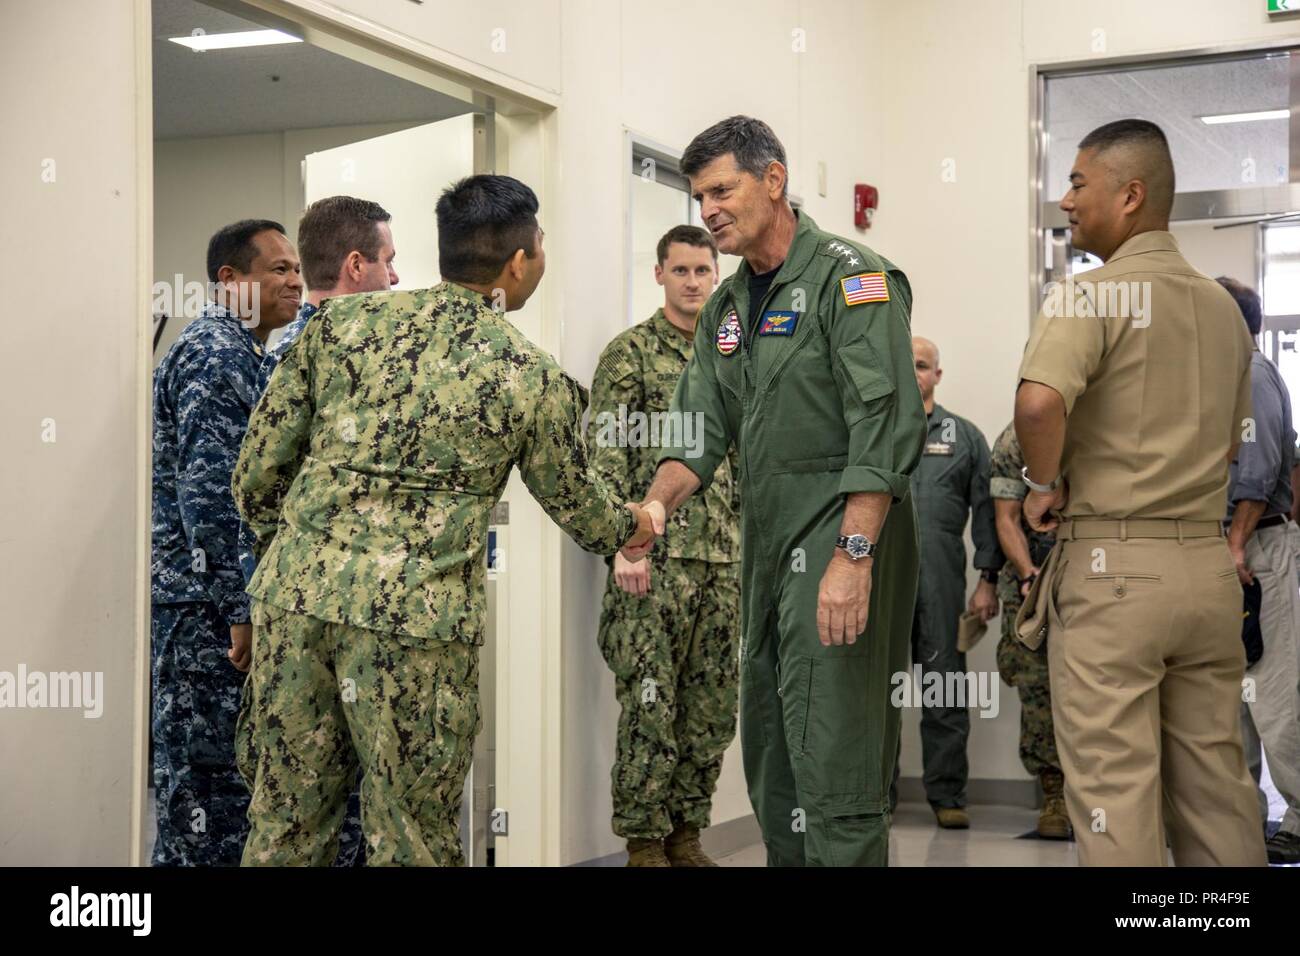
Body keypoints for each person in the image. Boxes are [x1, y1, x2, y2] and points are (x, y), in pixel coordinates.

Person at [233, 175, 656, 866]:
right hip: (414, 630)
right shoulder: (528, 374)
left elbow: (255, 475)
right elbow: (581, 508)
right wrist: (636, 523)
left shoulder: (341, 326)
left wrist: (299, 554)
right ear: (519, 263)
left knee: (283, 826)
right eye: (540, 247)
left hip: (294, 604)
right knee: (411, 838)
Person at [636, 116, 927, 867]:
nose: (709, 211)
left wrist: (854, 555)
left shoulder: (851, 279)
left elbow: (884, 426)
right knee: (774, 759)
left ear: (774, 179)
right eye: (699, 197)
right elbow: (698, 429)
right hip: (768, 556)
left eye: (722, 190)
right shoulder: (729, 309)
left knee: (838, 764)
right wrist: (656, 506)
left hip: (843, 540)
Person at [1015, 118, 1267, 866]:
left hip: (1115, 574)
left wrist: (1041, 482)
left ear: (1130, 196)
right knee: (1215, 786)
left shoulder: (1088, 297)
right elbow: (1230, 443)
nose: (1064, 199)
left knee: (1114, 790)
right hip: (1207, 570)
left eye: (1077, 183)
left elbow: (1036, 405)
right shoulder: (1225, 310)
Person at [236, 195, 399, 868]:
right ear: (357, 265)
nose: (396, 277)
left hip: (317, 602)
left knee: (314, 814)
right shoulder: (310, 352)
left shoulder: (351, 345)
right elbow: (254, 486)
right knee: (303, 814)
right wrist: (309, 548)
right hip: (321, 613)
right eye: (388, 262)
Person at [151, 219, 303, 865]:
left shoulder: (244, 352)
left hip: (216, 607)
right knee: (205, 809)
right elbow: (210, 497)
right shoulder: (215, 351)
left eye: (297, 269)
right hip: (203, 616)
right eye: (278, 269)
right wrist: (239, 610)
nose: (295, 281)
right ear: (230, 281)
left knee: (232, 803)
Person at [587, 225, 740, 867]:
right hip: (655, 560)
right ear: (659, 275)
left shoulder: (732, 357)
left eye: (704, 271)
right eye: (681, 271)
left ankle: (687, 832)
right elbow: (603, 460)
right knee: (650, 701)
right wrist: (626, 547)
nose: (694, 282)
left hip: (724, 557)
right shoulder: (628, 355)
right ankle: (644, 840)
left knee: (710, 706)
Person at [902, 336, 1001, 829]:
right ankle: (872, 798)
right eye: (906, 364)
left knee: (942, 687)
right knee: (871, 693)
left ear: (937, 375)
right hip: (877, 580)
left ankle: (947, 796)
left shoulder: (963, 437)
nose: (914, 371)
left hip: (940, 577)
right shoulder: (870, 429)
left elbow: (987, 513)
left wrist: (988, 580)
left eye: (922, 365)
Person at [1218, 276, 1300, 865]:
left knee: (1274, 697)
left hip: (1257, 550)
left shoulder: (1251, 373)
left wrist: (1237, 543)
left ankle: (1299, 818)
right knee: (1230, 698)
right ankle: (1246, 818)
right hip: (1228, 550)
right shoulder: (1221, 375)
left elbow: (1260, 467)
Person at [989, 421, 1069, 840]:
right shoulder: (1015, 439)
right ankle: (1054, 794)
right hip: (1032, 582)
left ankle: (1103, 798)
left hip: (1096, 580)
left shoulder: (1102, 423)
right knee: (1037, 688)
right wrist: (1027, 576)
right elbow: (1006, 519)